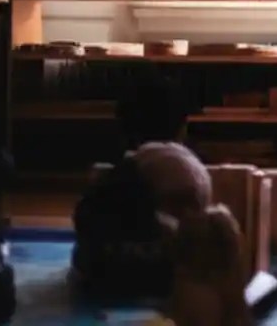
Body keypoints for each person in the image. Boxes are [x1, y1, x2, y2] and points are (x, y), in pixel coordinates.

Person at [72, 70, 208, 298]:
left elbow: (84, 220)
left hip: (106, 271)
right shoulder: (187, 168)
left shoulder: (121, 171)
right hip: (159, 271)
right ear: (183, 127)